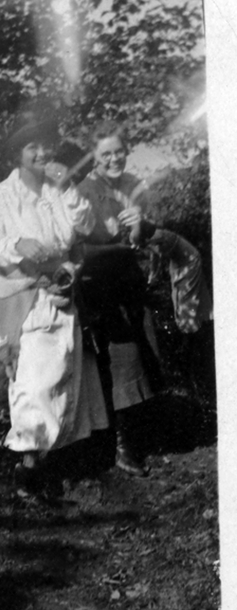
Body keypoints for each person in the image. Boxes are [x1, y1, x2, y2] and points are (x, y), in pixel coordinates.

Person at [0, 113, 109, 490]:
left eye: (44, 145)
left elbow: (84, 226)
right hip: (26, 298)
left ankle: (60, 463)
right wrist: (16, 244)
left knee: (67, 373)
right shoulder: (3, 197)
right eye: (31, 146)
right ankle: (28, 468)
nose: (41, 152)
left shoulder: (58, 188)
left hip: (63, 291)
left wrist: (67, 185)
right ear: (18, 154)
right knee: (32, 383)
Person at [76, 120, 212, 476]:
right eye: (106, 153)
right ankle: (123, 447)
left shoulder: (134, 185)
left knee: (143, 357)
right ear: (94, 156)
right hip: (101, 288)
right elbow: (78, 248)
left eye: (119, 151)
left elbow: (153, 231)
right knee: (122, 362)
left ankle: (139, 436)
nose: (114, 158)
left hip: (133, 283)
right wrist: (118, 241)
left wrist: (142, 224)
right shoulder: (84, 192)